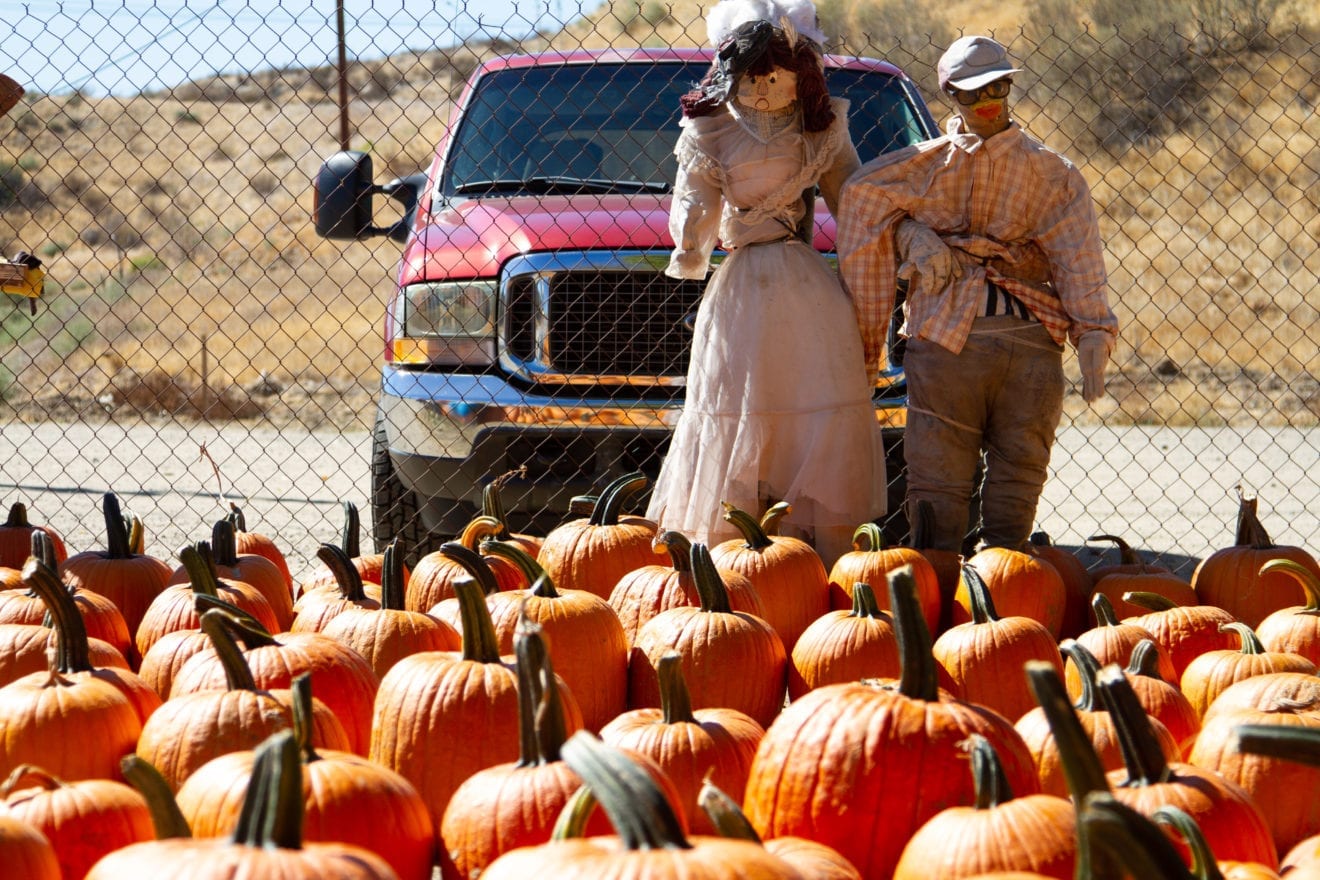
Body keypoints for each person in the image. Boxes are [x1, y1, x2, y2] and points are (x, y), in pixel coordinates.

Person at [837, 35, 1118, 555]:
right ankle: (957, 577)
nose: (988, 101)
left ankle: (994, 578)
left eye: (999, 87)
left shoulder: (1049, 173)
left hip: (1008, 335)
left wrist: (1094, 330)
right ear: (950, 96)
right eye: (972, 93)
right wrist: (905, 242)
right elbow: (860, 199)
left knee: (1007, 466)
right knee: (951, 471)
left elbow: (1078, 255)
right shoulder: (924, 167)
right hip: (967, 337)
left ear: (1011, 88)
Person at [644, 0, 886, 567]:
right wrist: (692, 239)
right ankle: (752, 559)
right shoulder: (712, 130)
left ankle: (792, 565)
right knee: (753, 406)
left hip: (766, 283)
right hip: (783, 281)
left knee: (784, 404)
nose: (760, 89)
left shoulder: (810, 129)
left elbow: (852, 200)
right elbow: (851, 203)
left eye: (773, 76)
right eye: (749, 77)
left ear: (798, 73)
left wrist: (692, 242)